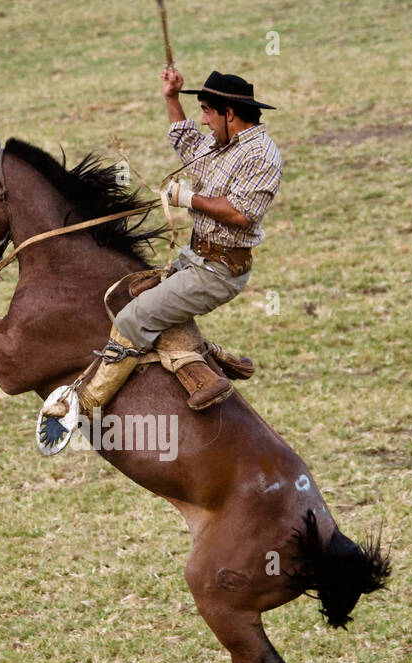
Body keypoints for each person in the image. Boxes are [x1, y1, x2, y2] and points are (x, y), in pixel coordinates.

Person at [44, 69, 282, 420]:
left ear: (229, 113)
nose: (201, 120)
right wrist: (172, 97)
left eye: (206, 111)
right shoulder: (221, 143)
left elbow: (242, 213)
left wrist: (189, 198)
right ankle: (199, 361)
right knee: (139, 296)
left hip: (217, 272)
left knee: (133, 319)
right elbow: (185, 141)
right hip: (194, 259)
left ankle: (87, 403)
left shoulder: (261, 155)